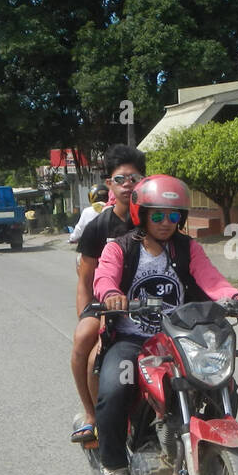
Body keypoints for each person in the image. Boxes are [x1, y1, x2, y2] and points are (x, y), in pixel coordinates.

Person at [91, 174, 238, 475]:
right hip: (132, 339)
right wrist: (112, 294)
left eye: (173, 216)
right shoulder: (120, 247)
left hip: (179, 338)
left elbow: (212, 282)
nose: (166, 222)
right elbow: (104, 278)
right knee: (113, 390)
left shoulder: (188, 248)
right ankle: (113, 466)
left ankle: (212, 455)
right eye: (157, 215)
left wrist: (237, 296)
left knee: (221, 383)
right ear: (141, 213)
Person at [70, 146, 145, 444]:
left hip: (148, 303)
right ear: (110, 184)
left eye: (134, 178)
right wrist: (89, 316)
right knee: (86, 341)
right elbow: (85, 279)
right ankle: (92, 416)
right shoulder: (98, 226)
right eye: (120, 179)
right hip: (104, 304)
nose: (128, 184)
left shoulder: (156, 221)